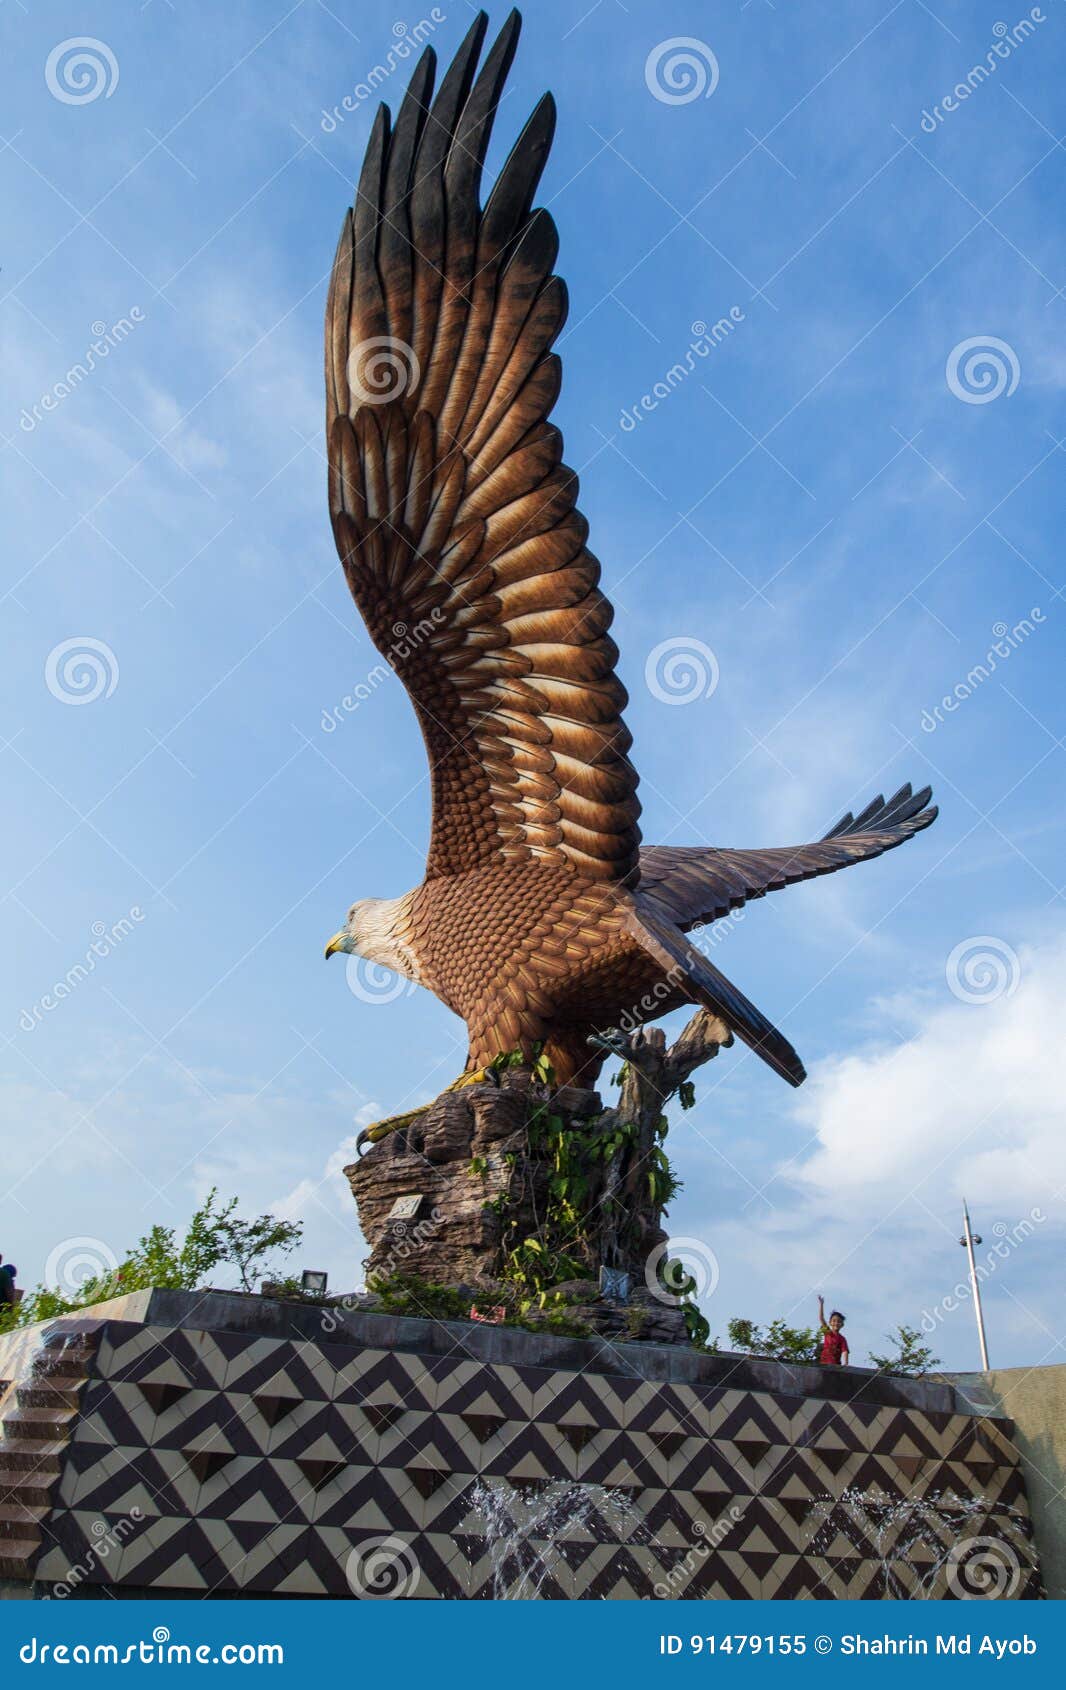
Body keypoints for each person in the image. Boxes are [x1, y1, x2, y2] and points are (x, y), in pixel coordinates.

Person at [817, 1294, 849, 1366]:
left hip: (835, 1366)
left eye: (839, 1321)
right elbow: (821, 1318)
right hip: (824, 1364)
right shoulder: (828, 1333)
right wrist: (821, 1304)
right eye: (834, 1321)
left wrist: (846, 1363)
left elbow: (845, 1351)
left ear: (842, 1324)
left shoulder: (842, 1339)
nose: (836, 1323)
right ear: (830, 1323)